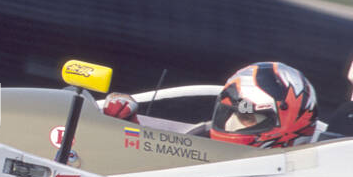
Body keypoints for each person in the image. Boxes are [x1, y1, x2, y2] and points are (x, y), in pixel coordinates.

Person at [104, 61, 320, 148]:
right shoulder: (198, 141)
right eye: (230, 113)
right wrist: (123, 125)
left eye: (247, 117)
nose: (231, 124)